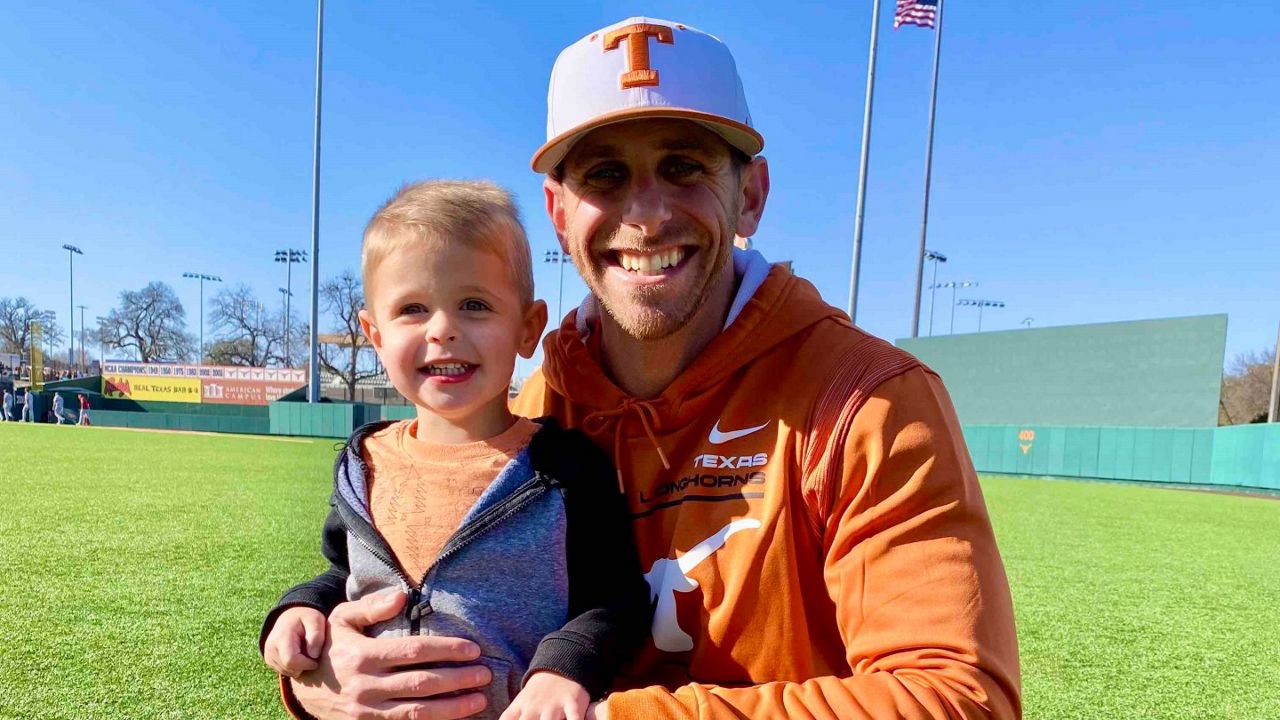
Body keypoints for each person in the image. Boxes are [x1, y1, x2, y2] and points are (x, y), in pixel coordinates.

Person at [288, 16, 1020, 720]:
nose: (645, 213)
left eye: (683, 167)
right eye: (605, 175)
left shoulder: (869, 405)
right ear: (557, 213)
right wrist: (326, 677)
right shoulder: (542, 399)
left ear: (752, 195)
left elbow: (958, 701)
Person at [261, 181, 651, 720]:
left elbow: (616, 601)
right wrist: (300, 609)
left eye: (474, 305)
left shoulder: (566, 470)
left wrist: (563, 669)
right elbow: (341, 576)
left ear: (528, 327)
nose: (443, 330)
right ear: (374, 334)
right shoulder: (363, 464)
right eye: (413, 309)